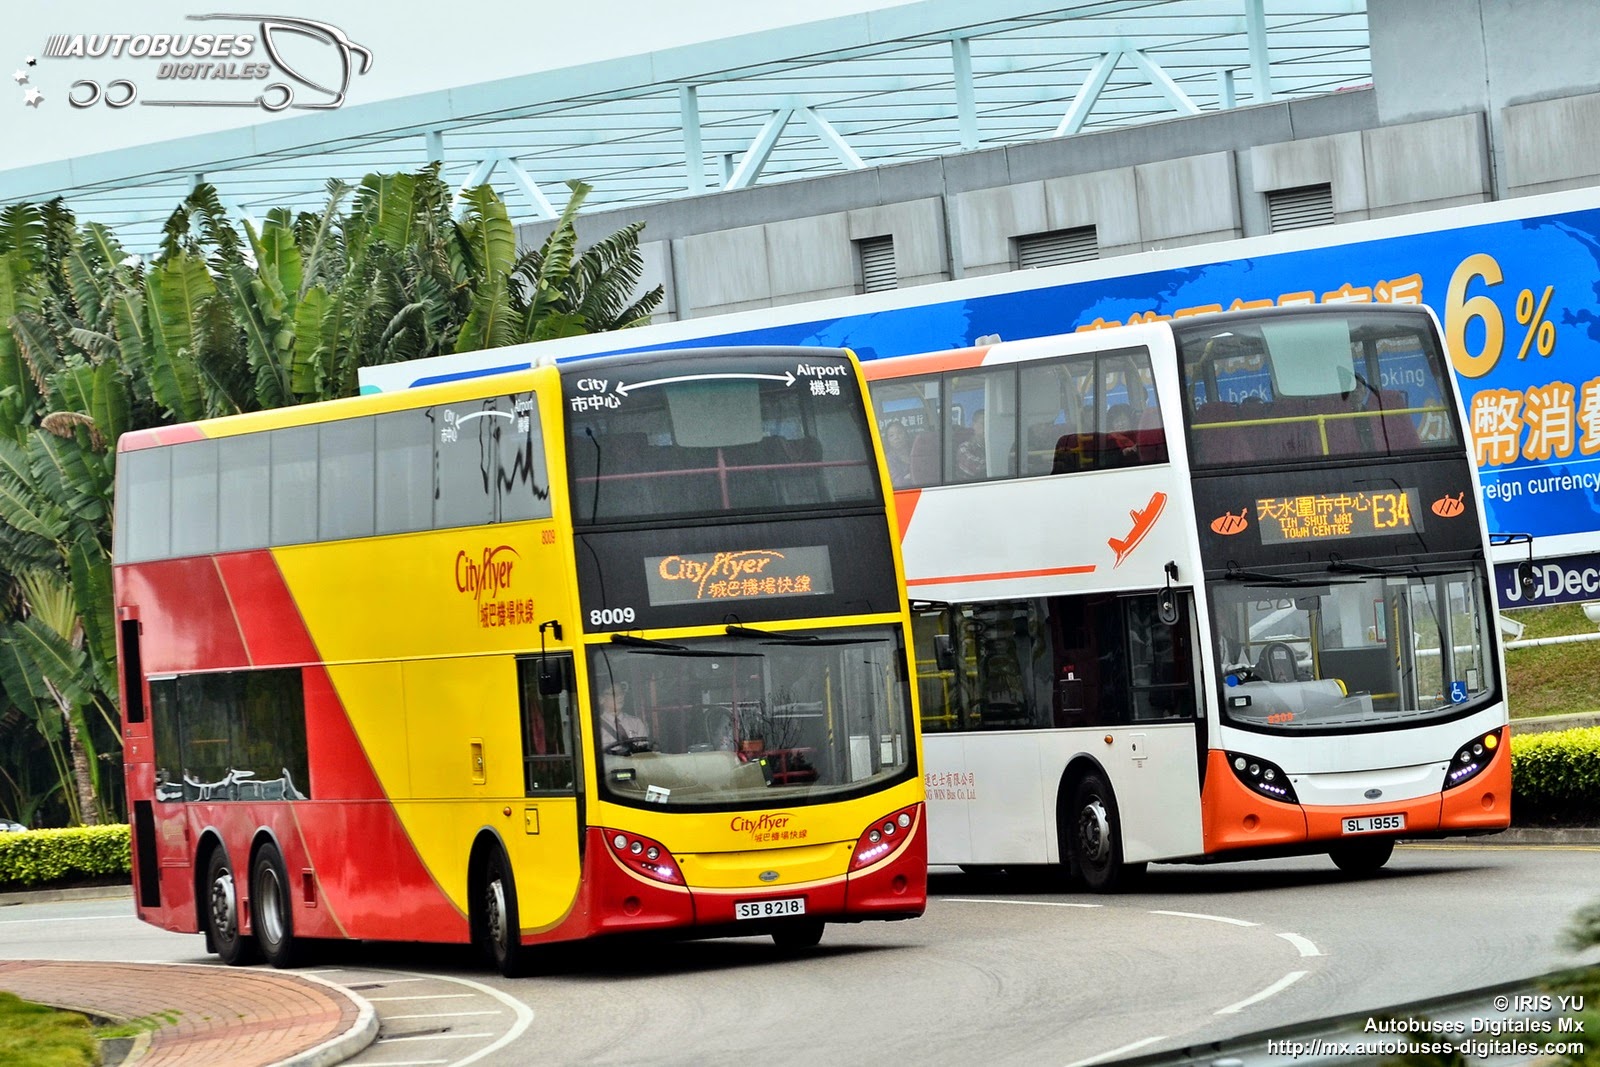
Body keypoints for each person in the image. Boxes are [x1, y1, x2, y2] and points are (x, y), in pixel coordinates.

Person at [597, 680, 649, 752]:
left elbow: (644, 751)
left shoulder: (636, 723)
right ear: (601, 699)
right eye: (614, 693)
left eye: (621, 693)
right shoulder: (595, 727)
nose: (620, 696)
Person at [881, 419, 914, 487]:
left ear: (906, 435)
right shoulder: (887, 460)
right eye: (891, 435)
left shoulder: (917, 452)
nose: (896, 437)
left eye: (899, 433)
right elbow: (896, 483)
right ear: (888, 440)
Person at [955, 409, 985, 480]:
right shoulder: (964, 448)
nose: (987, 427)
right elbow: (978, 468)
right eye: (983, 423)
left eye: (990, 424)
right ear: (973, 425)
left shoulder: (995, 447)